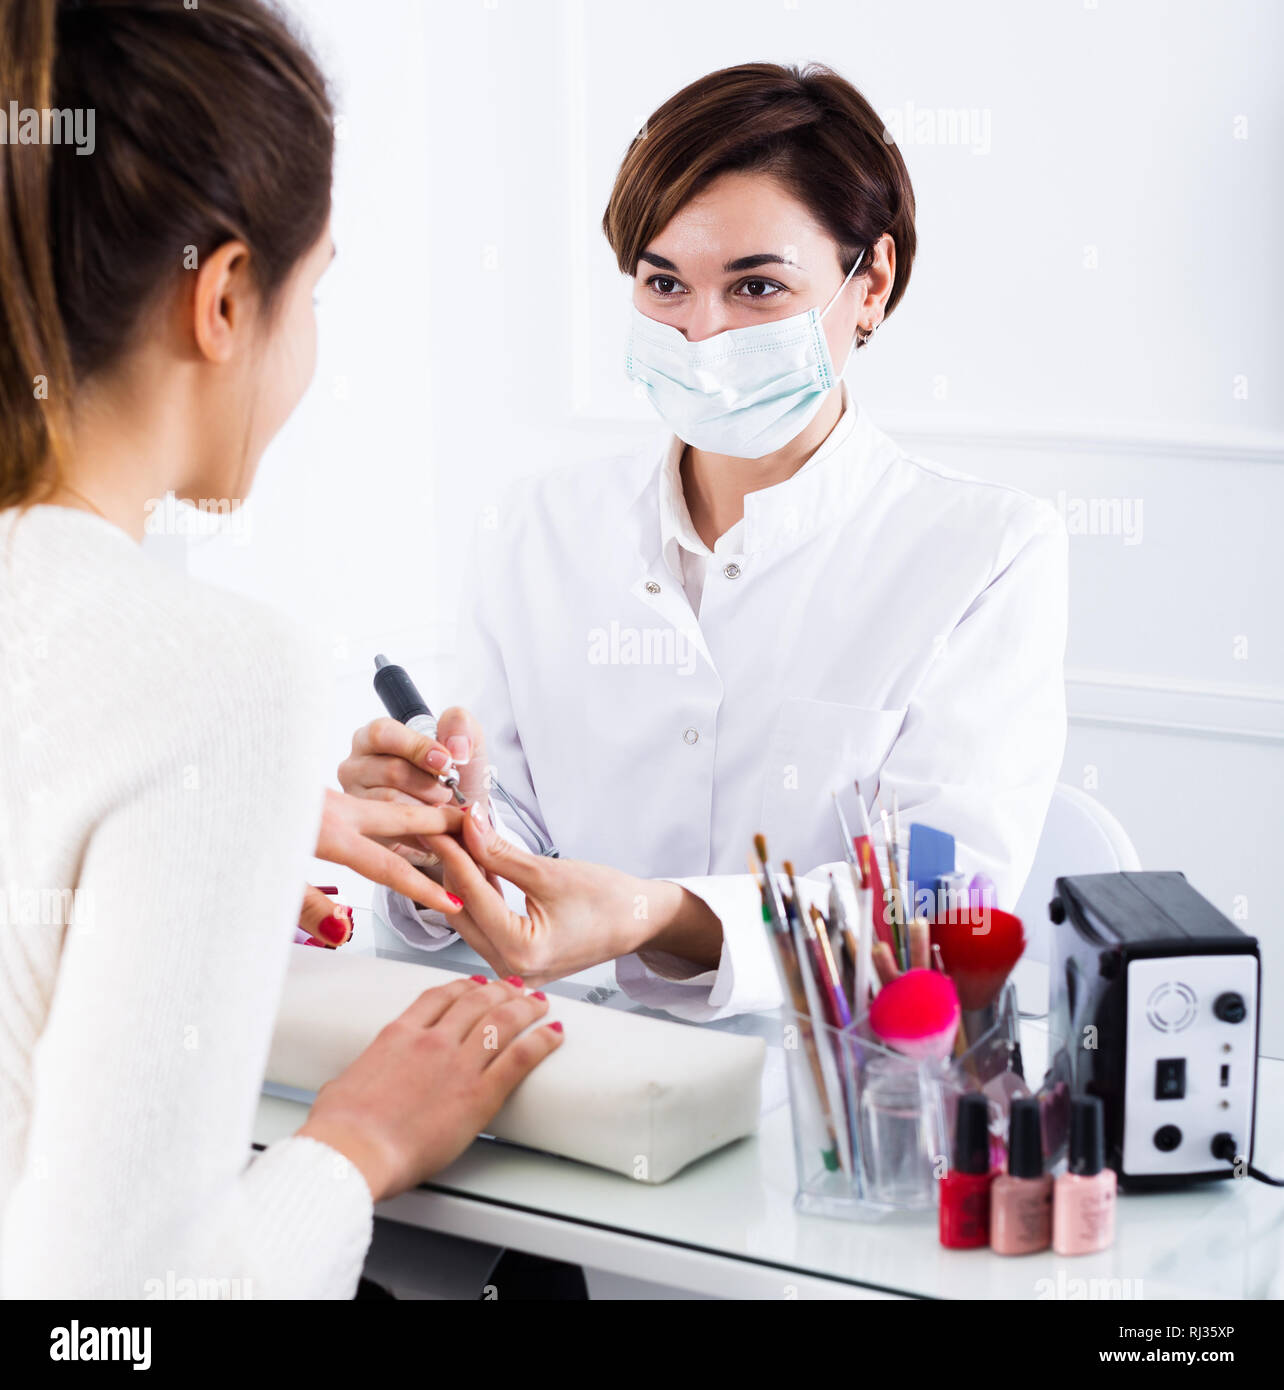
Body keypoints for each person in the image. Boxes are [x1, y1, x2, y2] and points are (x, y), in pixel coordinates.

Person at [0, 0, 560, 1299]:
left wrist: (252, 814)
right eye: (315, 293)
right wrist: (356, 1144)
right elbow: (113, 1322)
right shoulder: (215, 668)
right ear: (228, 294)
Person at [339, 63, 1068, 1021]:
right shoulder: (536, 531)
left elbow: (936, 911)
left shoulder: (984, 553)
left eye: (758, 286)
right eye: (665, 283)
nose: (702, 333)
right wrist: (436, 835)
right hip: (564, 1065)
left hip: (821, 1100)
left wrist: (658, 915)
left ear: (870, 283)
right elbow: (505, 861)